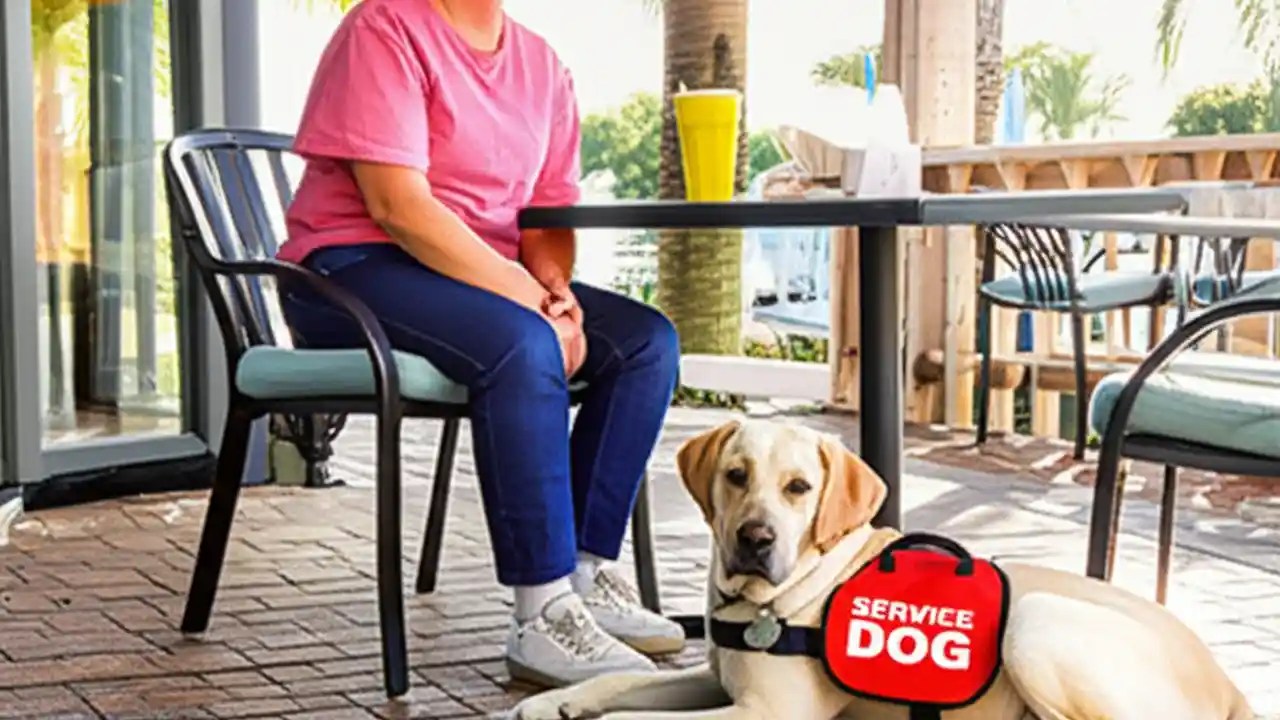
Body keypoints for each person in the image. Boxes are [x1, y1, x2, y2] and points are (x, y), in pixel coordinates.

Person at [278, 0, 683, 687]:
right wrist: (530, 303)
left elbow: (548, 208)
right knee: (522, 345)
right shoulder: (385, 27)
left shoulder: (542, 64)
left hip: (482, 281)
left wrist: (554, 288)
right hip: (352, 270)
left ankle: (583, 576)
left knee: (646, 343)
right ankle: (541, 612)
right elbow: (397, 208)